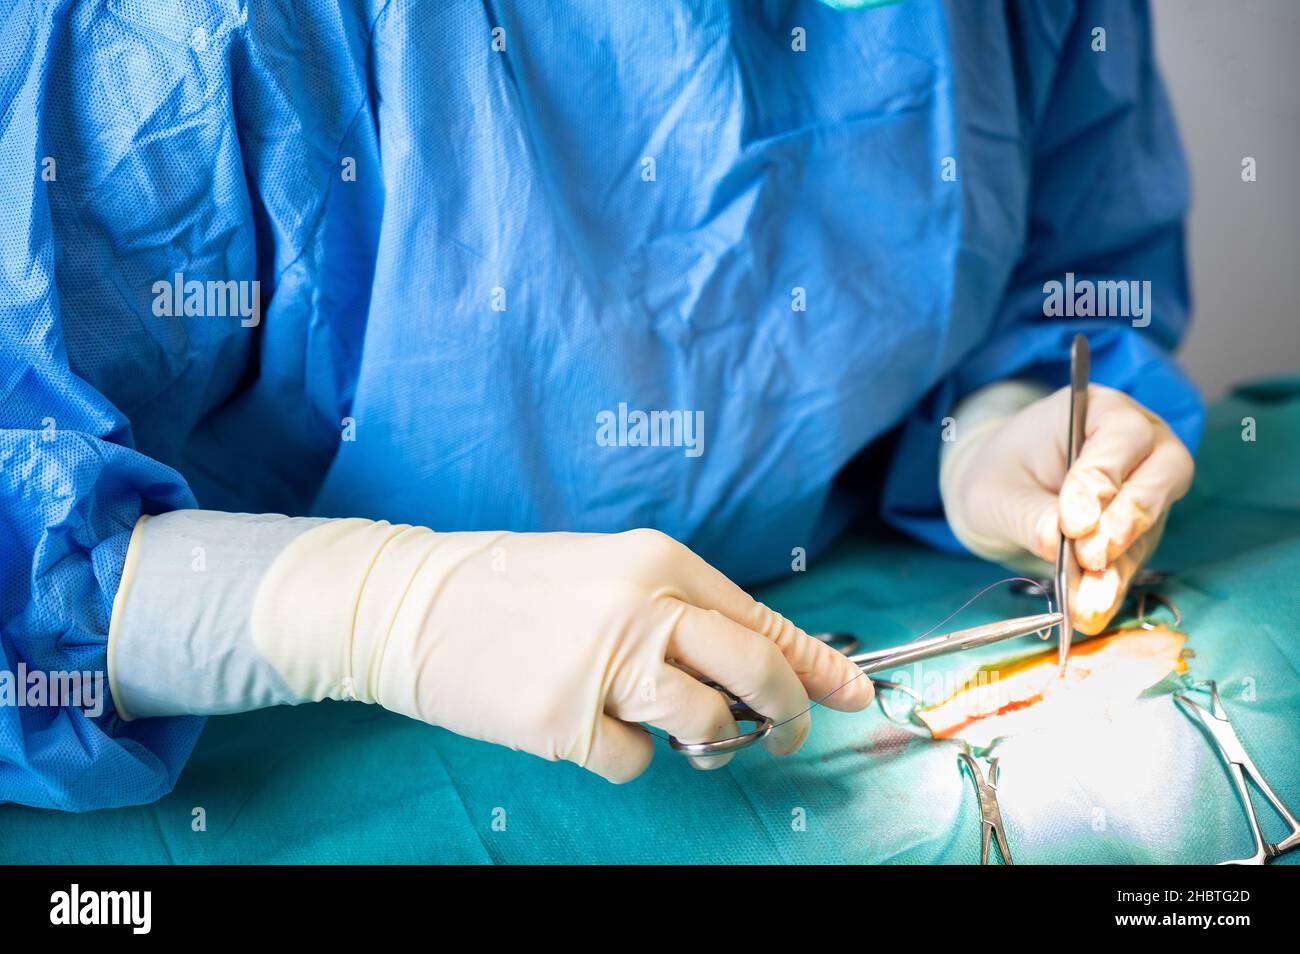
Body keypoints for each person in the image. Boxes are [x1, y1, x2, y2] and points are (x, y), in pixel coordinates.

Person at [0, 0, 1198, 811]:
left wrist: (991, 422)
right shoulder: (175, 39)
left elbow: (1057, 257)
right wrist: (377, 611)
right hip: (280, 759)